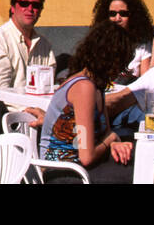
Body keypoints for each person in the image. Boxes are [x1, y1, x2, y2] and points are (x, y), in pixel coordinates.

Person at [39, 21, 134, 184]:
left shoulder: (97, 85)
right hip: (63, 173)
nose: (120, 71)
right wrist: (112, 140)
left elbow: (104, 134)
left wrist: (113, 143)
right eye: (120, 64)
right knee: (141, 174)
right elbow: (87, 157)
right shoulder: (84, 88)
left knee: (138, 161)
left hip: (80, 167)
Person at [92, 0, 154, 81]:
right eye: (112, 14)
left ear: (133, 16)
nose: (117, 18)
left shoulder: (142, 45)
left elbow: (147, 81)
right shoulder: (98, 42)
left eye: (123, 14)